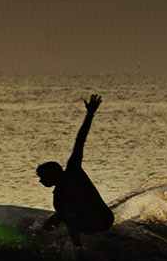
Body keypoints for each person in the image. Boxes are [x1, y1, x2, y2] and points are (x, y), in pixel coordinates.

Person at [37, 93, 115, 247]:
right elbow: (80, 140)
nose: (40, 180)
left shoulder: (59, 197)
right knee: (61, 215)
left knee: (58, 218)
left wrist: (78, 250)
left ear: (52, 175)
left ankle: (41, 233)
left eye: (42, 177)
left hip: (91, 228)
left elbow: (72, 227)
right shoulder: (73, 169)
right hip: (106, 219)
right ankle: (48, 227)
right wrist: (90, 114)